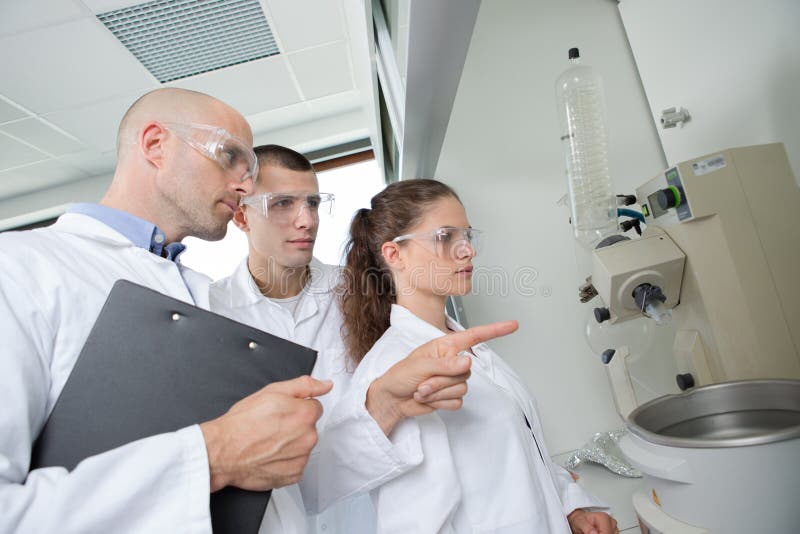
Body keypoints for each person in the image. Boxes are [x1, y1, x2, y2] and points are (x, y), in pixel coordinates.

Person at [0, 88, 517, 533]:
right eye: (228, 158)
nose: (246, 185)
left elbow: (285, 482)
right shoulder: (21, 269)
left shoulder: (188, 292)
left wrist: (385, 402)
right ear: (155, 145)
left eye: (312, 203)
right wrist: (211, 456)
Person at [337, 178, 618, 534]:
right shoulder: (397, 373)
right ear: (395, 255)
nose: (467, 250)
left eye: (467, 237)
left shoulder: (464, 343)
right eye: (445, 237)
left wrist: (570, 506)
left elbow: (515, 454)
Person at [209, 145, 374, 532]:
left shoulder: (361, 292)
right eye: (283, 203)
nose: (307, 221)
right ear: (241, 216)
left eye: (313, 203)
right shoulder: (213, 312)